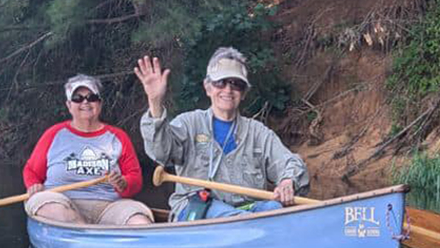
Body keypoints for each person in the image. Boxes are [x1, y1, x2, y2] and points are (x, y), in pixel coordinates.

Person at [136, 47, 308, 221]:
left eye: (236, 84)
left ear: (244, 93)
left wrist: (288, 181)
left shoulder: (259, 133)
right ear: (208, 87)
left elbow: (290, 162)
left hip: (246, 210)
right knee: (228, 213)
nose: (228, 89)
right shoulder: (188, 123)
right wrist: (155, 102)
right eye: (221, 82)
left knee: (274, 207)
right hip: (196, 210)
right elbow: (160, 153)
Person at [23, 74, 154, 225]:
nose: (85, 102)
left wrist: (123, 183)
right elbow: (31, 171)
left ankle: (95, 238)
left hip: (109, 206)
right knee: (49, 208)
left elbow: (135, 179)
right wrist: (33, 185)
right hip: (60, 201)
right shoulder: (53, 134)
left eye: (91, 97)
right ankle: (85, 232)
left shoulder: (118, 137)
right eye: (78, 98)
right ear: (69, 105)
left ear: (100, 103)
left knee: (139, 222)